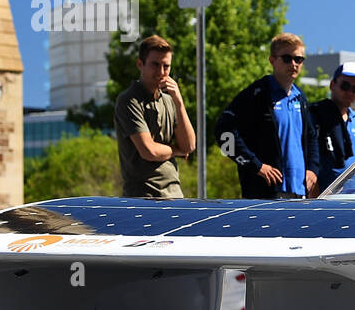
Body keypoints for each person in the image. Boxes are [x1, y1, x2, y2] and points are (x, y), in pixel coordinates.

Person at [215, 33, 321, 199]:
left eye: (298, 59)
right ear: (272, 60)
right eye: (287, 58)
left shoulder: (301, 98)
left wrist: (313, 170)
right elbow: (223, 132)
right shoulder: (257, 94)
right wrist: (255, 166)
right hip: (265, 195)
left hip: (300, 193)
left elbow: (311, 137)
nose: (293, 64)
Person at [114, 35, 195, 198]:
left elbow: (189, 146)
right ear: (140, 64)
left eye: (166, 66)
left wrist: (179, 102)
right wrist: (176, 150)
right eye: (155, 65)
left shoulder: (169, 100)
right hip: (143, 198)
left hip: (175, 194)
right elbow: (149, 151)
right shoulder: (129, 100)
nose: (161, 72)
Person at [311, 61, 355, 190]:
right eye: (345, 86)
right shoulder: (316, 114)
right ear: (332, 85)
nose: (350, 92)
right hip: (324, 195)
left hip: (352, 194)